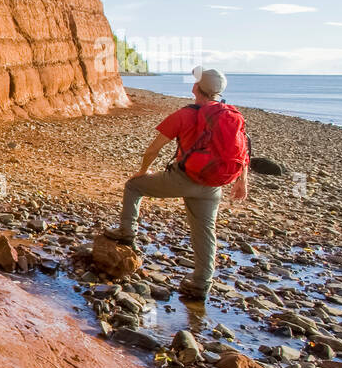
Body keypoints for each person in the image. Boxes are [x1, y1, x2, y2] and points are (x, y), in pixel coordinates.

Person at [104, 68, 250, 302]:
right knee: (204, 231)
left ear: (195, 89)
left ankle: (127, 232)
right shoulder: (231, 116)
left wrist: (142, 172)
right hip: (213, 185)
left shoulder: (185, 114)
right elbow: (241, 151)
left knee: (134, 187)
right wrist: (241, 181)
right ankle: (202, 283)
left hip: (183, 179)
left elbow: (154, 148)